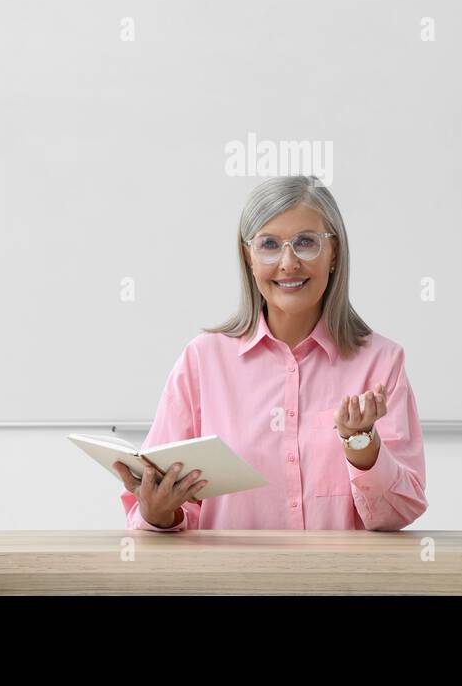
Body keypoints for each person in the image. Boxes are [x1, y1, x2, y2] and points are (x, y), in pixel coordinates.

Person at [114, 175, 426, 531]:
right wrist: (159, 513)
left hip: (339, 584)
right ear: (248, 257)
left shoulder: (382, 362)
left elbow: (397, 514)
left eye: (306, 242)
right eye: (269, 245)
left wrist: (361, 445)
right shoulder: (203, 360)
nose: (288, 263)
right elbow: (159, 511)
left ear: (334, 253)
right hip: (229, 584)